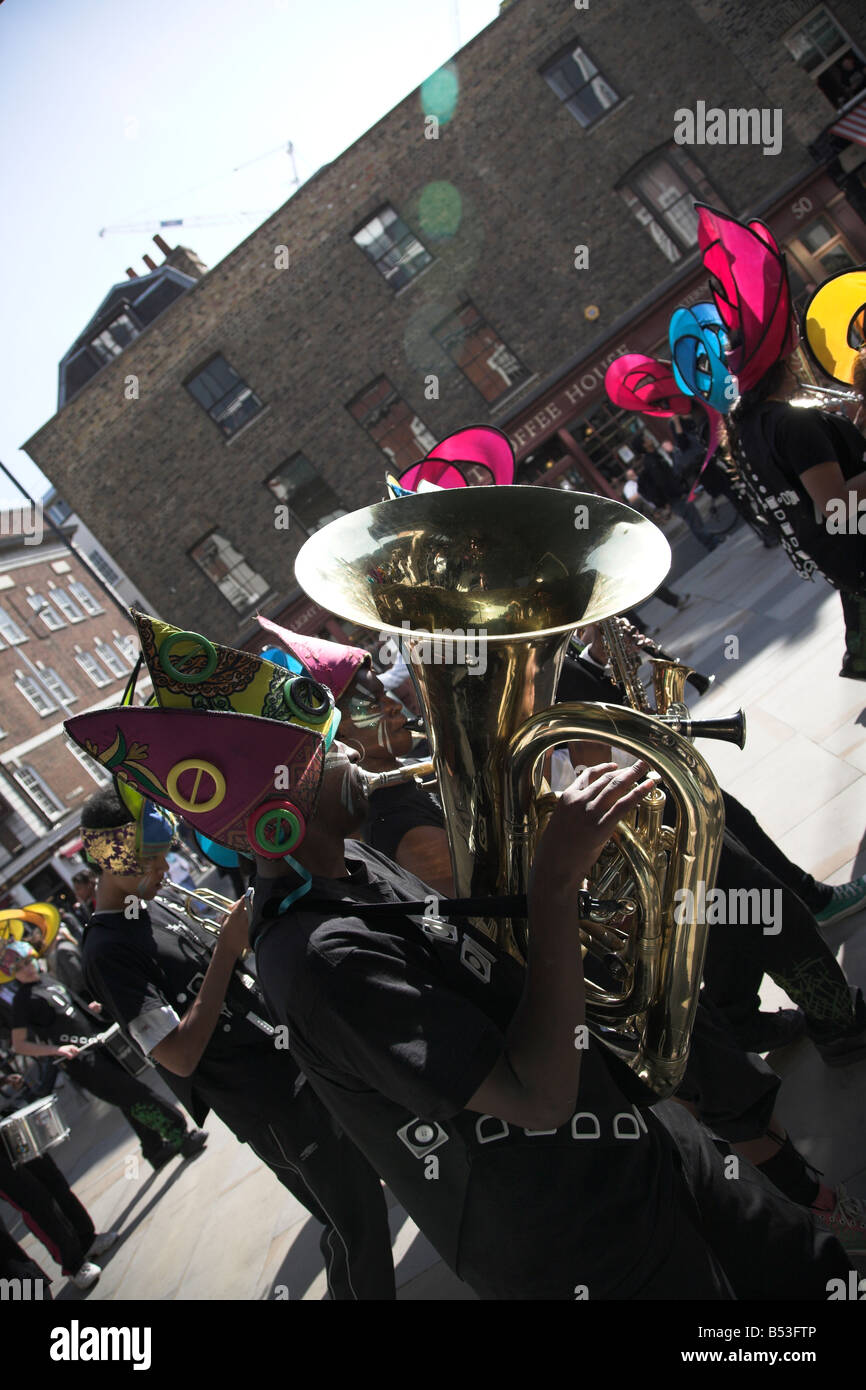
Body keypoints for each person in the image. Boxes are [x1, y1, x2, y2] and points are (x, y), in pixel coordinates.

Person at [78, 786, 396, 1301]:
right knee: (356, 1225)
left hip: (295, 1066)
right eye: (152, 861)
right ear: (114, 860)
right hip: (266, 1102)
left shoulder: (149, 907)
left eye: (165, 858)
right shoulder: (106, 950)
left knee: (357, 1209)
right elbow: (177, 1057)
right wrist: (226, 952)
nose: (165, 872)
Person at [6, 940, 207, 1172]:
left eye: (28, 960)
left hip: (99, 1044)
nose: (27, 967)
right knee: (136, 1095)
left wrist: (88, 1008)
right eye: (20, 967)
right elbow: (19, 1045)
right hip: (80, 1060)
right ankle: (182, 1137)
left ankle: (155, 1149)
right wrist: (56, 1050)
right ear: (13, 974)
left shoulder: (47, 980)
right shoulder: (22, 1001)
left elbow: (67, 1008)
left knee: (127, 1096)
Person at [726, 351, 866, 679]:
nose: (797, 365)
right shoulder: (793, 422)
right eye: (791, 360)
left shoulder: (749, 427)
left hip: (834, 551)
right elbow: (835, 503)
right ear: (782, 370)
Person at [0, 1056, 118, 1291]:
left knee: (52, 1179)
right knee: (34, 1200)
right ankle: (74, 1265)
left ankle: (87, 1239)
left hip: (6, 1122)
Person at [636, 433, 723, 552]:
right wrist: (673, 495)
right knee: (693, 520)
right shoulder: (652, 461)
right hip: (675, 498)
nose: (649, 438)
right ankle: (711, 543)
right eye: (646, 438)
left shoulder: (654, 457)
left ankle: (710, 540)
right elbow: (662, 482)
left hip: (675, 496)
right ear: (644, 445)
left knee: (694, 518)